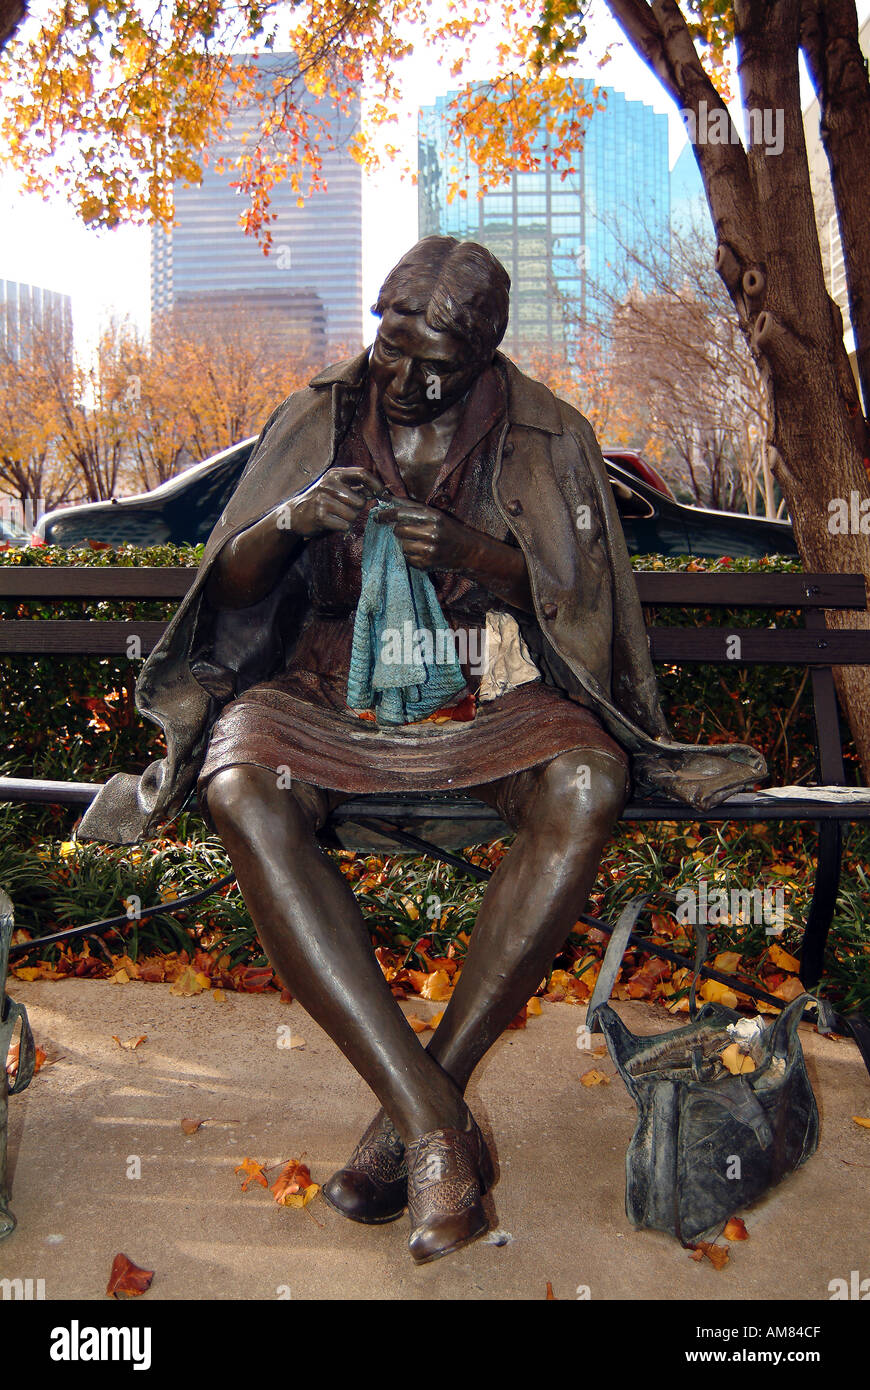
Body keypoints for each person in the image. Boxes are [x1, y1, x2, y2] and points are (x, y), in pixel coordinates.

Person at [79, 236, 766, 1265]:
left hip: (487, 695)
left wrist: (487, 559)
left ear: (484, 357)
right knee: (239, 781)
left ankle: (409, 1123)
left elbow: (585, 611)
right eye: (391, 348)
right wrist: (290, 522)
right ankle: (440, 1127)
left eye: (432, 361)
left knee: (589, 778)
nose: (404, 378)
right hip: (323, 692)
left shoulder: (547, 434)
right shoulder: (319, 415)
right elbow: (227, 588)